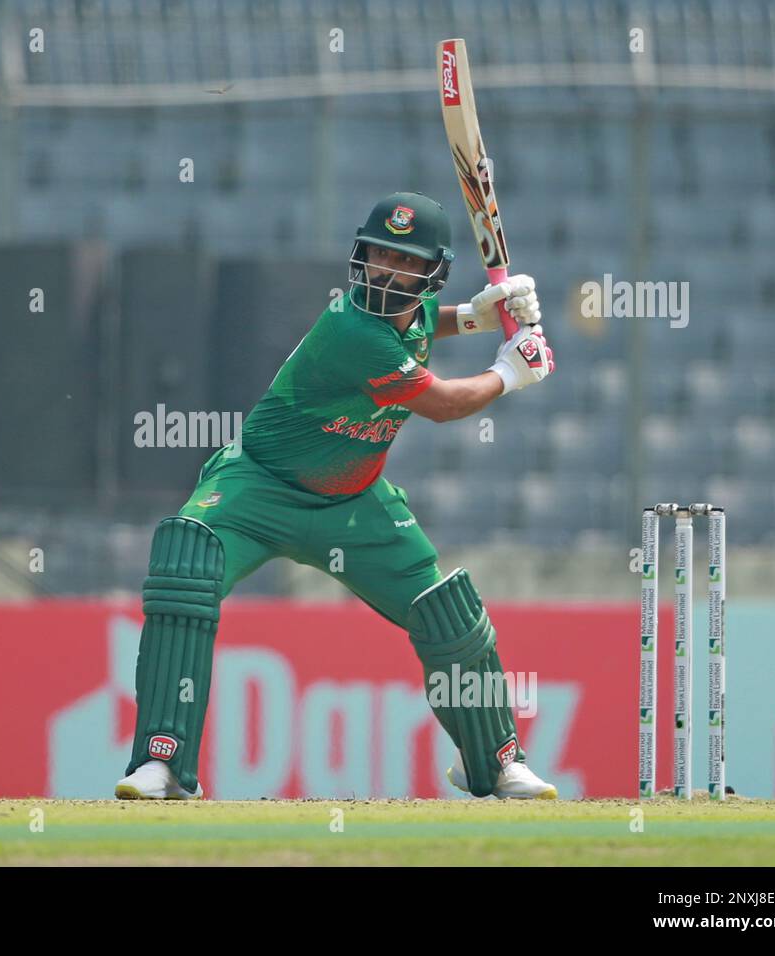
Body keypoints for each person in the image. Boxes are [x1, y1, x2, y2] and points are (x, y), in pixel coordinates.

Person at [116, 192, 556, 800]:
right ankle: (161, 763)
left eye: (403, 261)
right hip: (259, 486)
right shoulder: (353, 330)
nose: (385, 271)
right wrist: (512, 371)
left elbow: (428, 319)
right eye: (378, 254)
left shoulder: (411, 311)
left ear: (431, 273)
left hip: (353, 501)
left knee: (448, 613)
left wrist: (482, 315)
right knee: (184, 568)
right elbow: (445, 405)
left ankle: (497, 761)